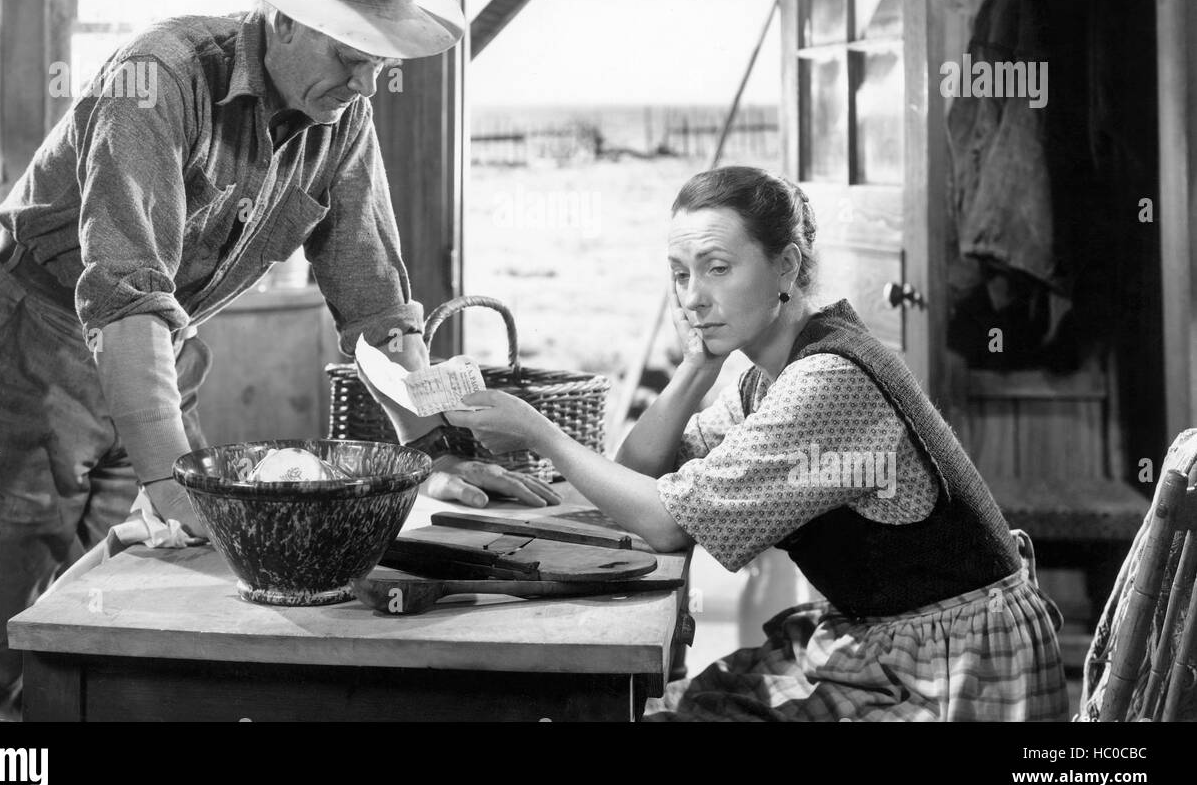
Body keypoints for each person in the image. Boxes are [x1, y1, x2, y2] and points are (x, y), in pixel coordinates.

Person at [0, 0, 556, 721]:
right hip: (27, 335)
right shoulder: (158, 78)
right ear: (284, 20)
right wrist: (181, 481)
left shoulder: (344, 116)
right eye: (349, 56)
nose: (367, 83)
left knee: (111, 597)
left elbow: (376, 305)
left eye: (379, 62)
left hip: (158, 348)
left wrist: (434, 445)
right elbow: (125, 293)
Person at [447, 165, 1068, 722]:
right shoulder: (763, 377)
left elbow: (664, 524)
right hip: (884, 638)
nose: (693, 297)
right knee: (687, 703)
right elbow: (639, 470)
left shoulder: (830, 381)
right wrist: (693, 369)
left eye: (718, 268)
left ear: (788, 268)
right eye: (680, 274)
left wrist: (538, 431)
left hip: (951, 666)